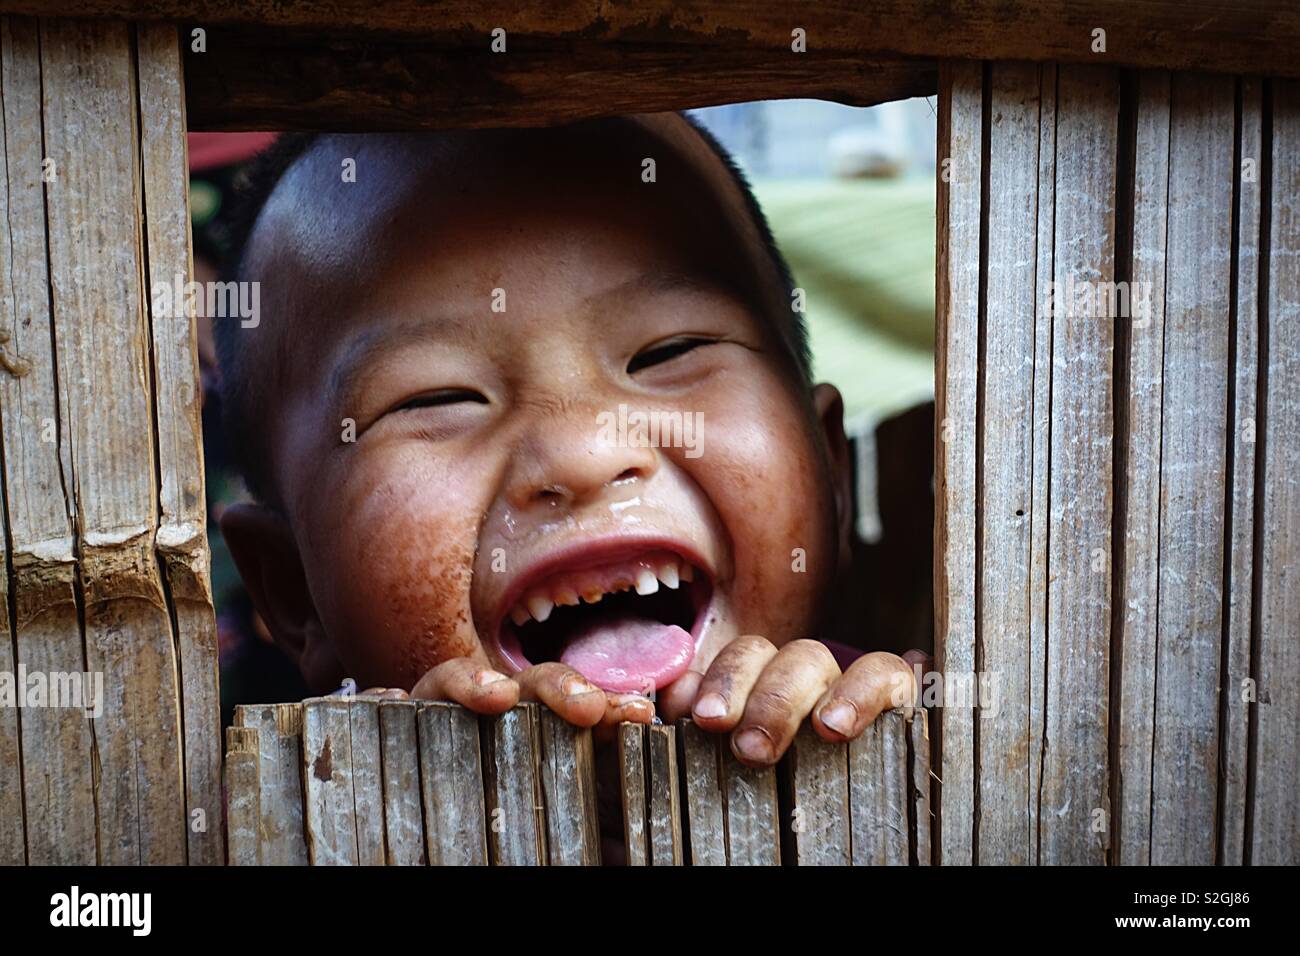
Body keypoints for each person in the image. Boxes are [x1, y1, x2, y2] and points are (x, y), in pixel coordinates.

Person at [215, 114, 918, 770]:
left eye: (669, 351)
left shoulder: (919, 762)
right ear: (293, 592)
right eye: (436, 398)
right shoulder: (283, 827)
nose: (586, 455)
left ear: (830, 473)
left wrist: (904, 766)